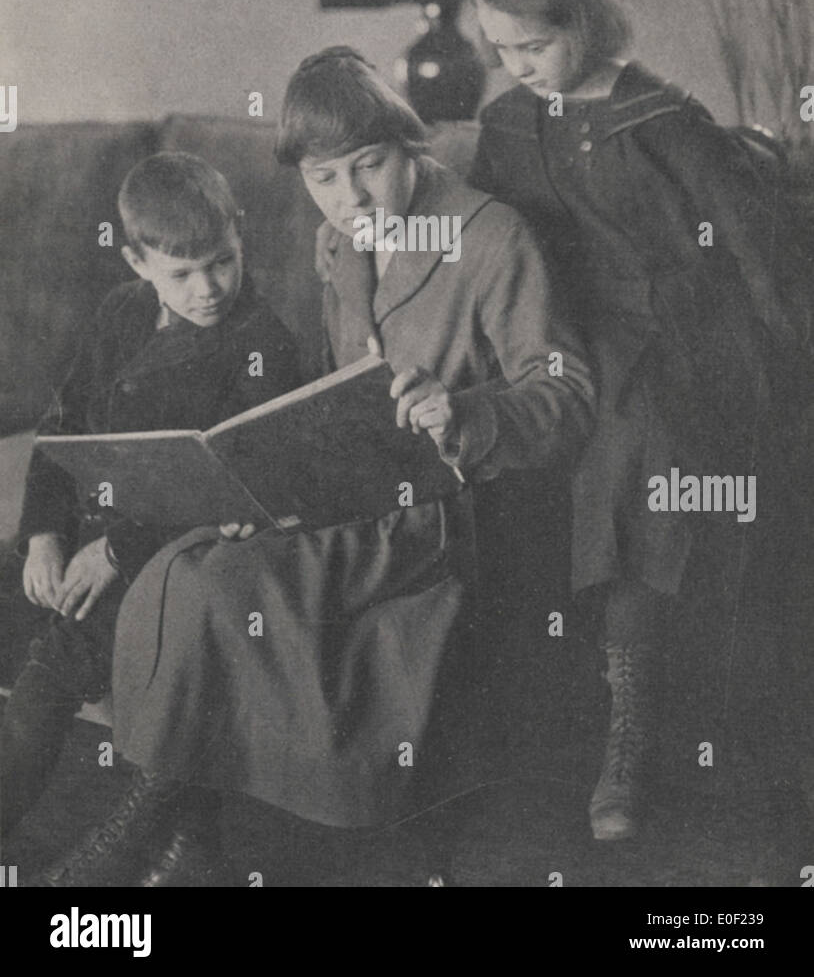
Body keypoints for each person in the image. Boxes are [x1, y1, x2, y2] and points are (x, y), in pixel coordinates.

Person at [53, 46, 595, 888]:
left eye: (369, 168)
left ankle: (145, 824)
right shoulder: (336, 246)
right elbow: (335, 386)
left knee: (214, 587)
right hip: (350, 497)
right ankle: (181, 825)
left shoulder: (493, 238)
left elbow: (568, 396)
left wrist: (470, 412)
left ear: (408, 145)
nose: (350, 201)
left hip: (441, 512)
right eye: (323, 180)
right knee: (175, 567)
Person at [466, 0, 810, 841]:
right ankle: (519, 727)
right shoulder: (505, 124)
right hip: (555, 334)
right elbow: (484, 246)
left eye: (533, 46)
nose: (516, 67)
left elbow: (760, 258)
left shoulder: (664, 119)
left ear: (585, 23)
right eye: (499, 49)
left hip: (682, 342)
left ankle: (631, 729)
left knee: (629, 430)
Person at [0, 152, 300, 870]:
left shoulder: (264, 344)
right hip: (84, 534)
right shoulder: (120, 313)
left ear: (241, 233)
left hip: (176, 555)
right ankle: (187, 839)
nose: (208, 290)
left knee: (55, 665)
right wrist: (42, 533)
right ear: (136, 261)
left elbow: (234, 488)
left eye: (222, 262)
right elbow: (65, 427)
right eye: (182, 273)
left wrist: (114, 551)